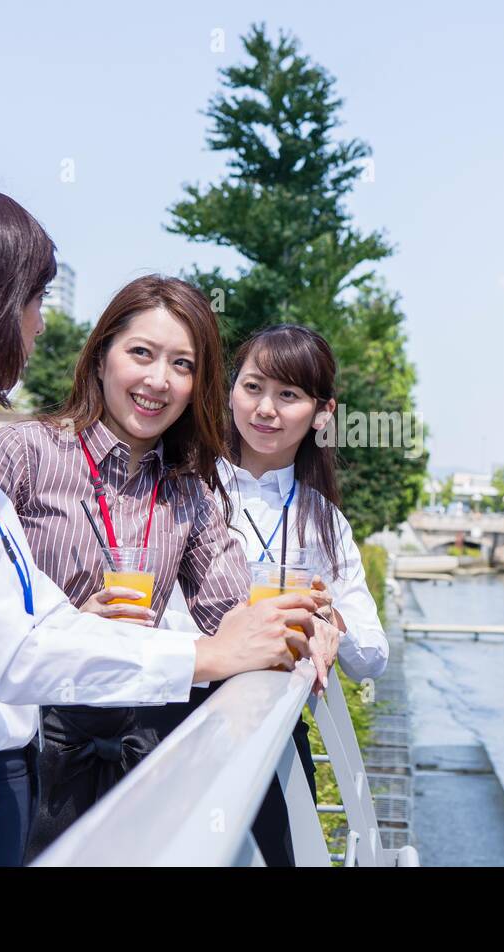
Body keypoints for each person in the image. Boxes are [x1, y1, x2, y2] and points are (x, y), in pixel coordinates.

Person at [0, 183, 317, 867]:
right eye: (32, 302)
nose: (38, 325)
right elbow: (12, 651)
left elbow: (38, 616)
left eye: (183, 364)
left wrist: (287, 626)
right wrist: (203, 656)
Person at [0, 274, 339, 861]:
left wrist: (308, 622)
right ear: (101, 356)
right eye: (141, 354)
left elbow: (233, 611)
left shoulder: (190, 490)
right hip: (28, 751)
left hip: (146, 757)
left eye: (182, 364)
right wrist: (68, 621)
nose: (158, 380)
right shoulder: (25, 452)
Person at [164, 323, 389, 863]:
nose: (265, 409)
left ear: (322, 413)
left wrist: (330, 618)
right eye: (252, 387)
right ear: (231, 390)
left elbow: (372, 660)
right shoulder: (182, 487)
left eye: (288, 395)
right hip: (172, 734)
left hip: (275, 745)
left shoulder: (325, 520)